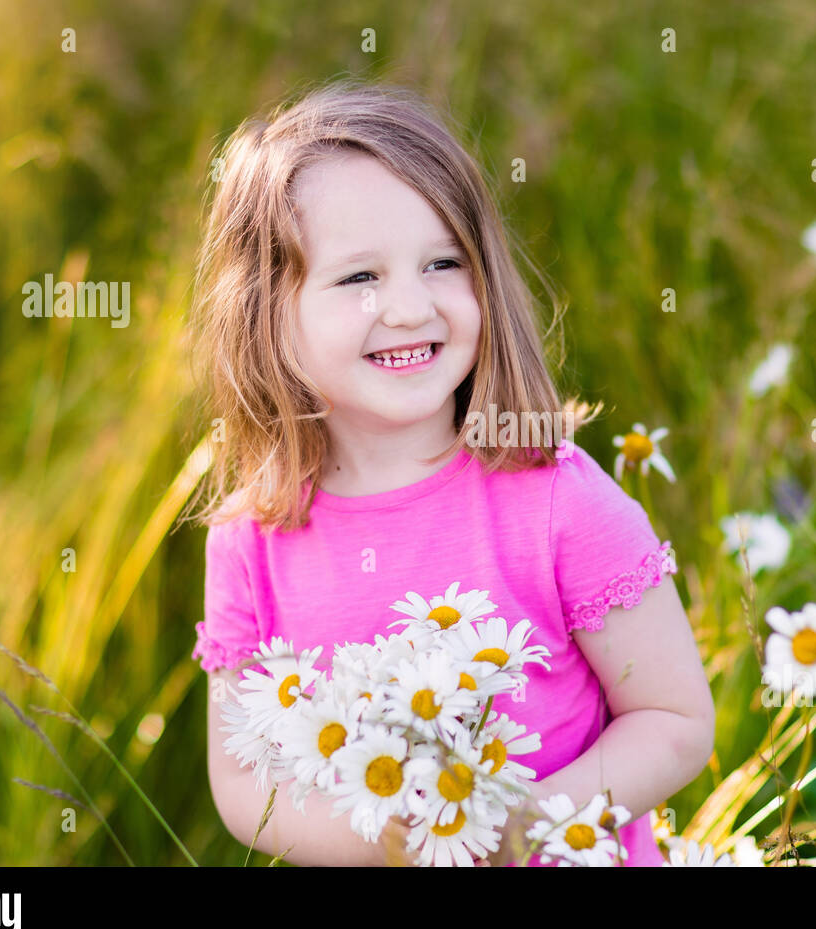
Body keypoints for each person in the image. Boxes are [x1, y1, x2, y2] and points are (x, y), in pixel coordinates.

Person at [183, 77, 714, 866]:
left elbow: (674, 720)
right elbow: (243, 778)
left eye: (441, 263)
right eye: (360, 277)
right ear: (268, 315)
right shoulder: (250, 539)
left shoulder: (556, 498)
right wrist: (385, 844)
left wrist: (525, 822)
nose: (407, 307)